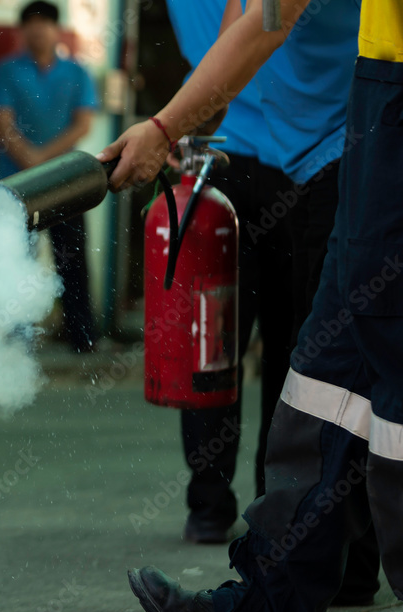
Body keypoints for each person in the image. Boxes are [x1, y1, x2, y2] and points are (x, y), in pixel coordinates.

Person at [104, 0, 403, 612]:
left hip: (378, 113)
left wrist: (162, 125)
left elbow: (272, 15)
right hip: (374, 97)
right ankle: (269, 610)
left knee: (386, 367)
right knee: (328, 371)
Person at [163, 0, 294, 546]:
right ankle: (274, 503)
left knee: (213, 343)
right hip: (289, 163)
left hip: (227, 157)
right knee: (287, 348)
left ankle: (215, 503)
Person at [0, 0, 98, 353]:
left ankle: (82, 336)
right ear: (22, 30)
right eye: (31, 23)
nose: (38, 29)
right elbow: (1, 121)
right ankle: (19, 339)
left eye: (45, 22)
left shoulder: (77, 71)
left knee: (72, 258)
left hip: (65, 181)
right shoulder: (6, 70)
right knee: (16, 260)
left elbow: (83, 124)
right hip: (14, 185)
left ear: (56, 29)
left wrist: (41, 160)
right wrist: (30, 159)